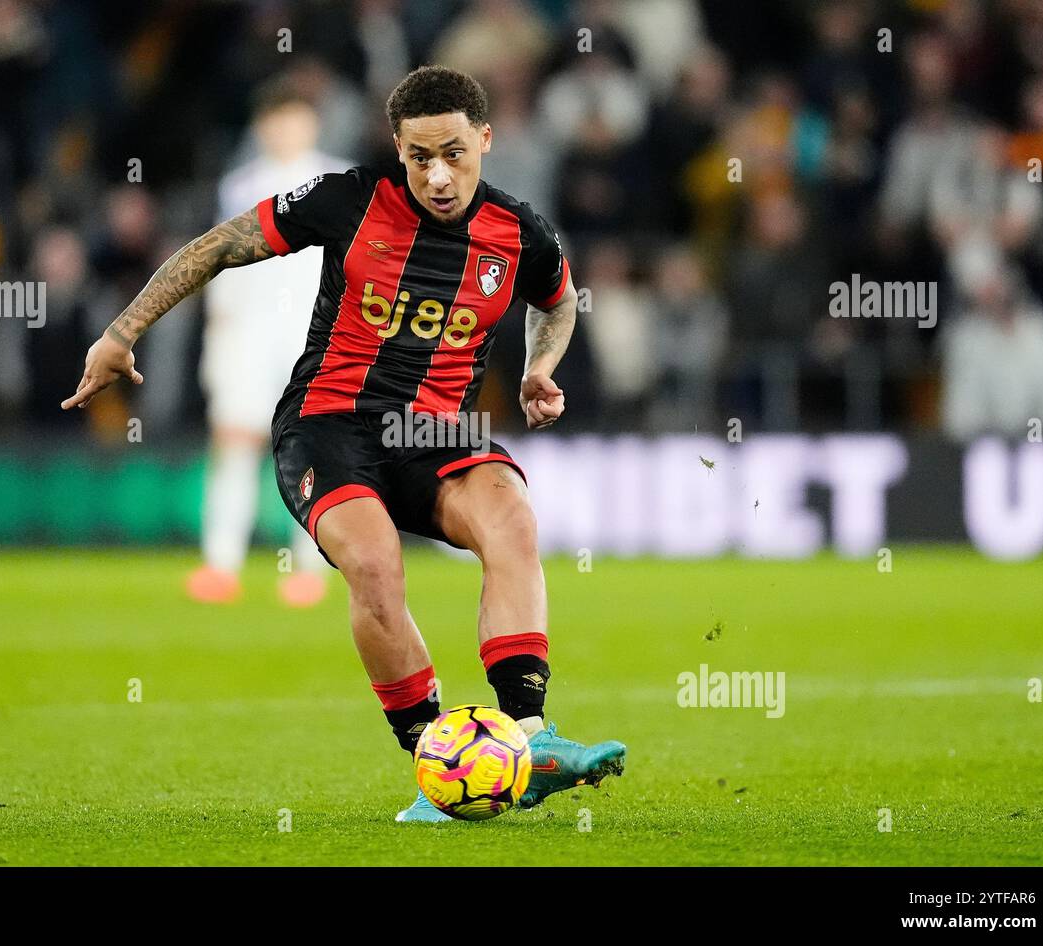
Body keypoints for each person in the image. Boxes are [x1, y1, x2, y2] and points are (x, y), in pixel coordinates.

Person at [63, 66, 626, 822]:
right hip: (329, 424)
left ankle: (528, 734)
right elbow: (218, 246)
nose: (436, 174)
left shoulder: (521, 232)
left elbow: (557, 304)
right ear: (397, 147)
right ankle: (438, 759)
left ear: (486, 140)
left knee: (513, 519)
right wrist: (120, 332)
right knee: (373, 561)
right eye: (419, 155)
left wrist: (539, 369)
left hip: (434, 433)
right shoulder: (348, 200)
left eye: (454, 153)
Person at [188, 84, 351, 607]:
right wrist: (218, 331)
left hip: (316, 333)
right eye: (276, 120)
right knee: (235, 442)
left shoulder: (342, 181)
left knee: (315, 450)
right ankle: (220, 563)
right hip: (248, 331)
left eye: (296, 119)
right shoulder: (240, 187)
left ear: (313, 125)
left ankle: (310, 568)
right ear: (262, 128)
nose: (285, 131)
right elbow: (219, 263)